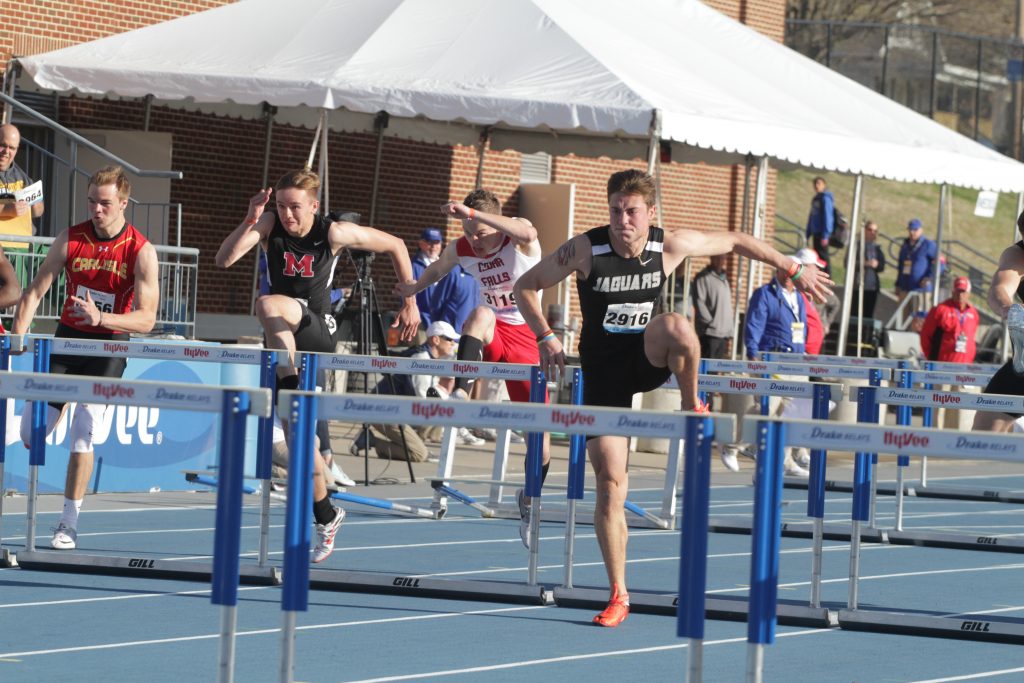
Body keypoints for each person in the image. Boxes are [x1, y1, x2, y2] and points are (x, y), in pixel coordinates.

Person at [513, 169, 832, 627]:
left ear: (650, 213)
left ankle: (690, 406)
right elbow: (525, 285)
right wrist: (545, 336)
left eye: (632, 212)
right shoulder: (585, 248)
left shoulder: (669, 246)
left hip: (646, 356)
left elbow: (736, 240)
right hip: (604, 378)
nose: (622, 221)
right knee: (610, 485)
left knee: (678, 325)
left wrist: (792, 267)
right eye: (615, 211)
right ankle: (619, 593)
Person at [215, 168, 420, 563]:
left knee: (266, 303)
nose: (287, 215)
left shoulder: (333, 232)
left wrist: (410, 301)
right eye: (281, 206)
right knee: (298, 440)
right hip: (283, 337)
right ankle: (325, 514)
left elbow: (395, 244)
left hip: (318, 328)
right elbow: (224, 260)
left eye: (295, 207)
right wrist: (250, 219)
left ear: (314, 206)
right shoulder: (269, 224)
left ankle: (290, 385)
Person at [12, 166, 158, 550]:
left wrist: (102, 318)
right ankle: (58, 406)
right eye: (91, 201)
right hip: (69, 341)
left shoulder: (141, 250)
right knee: (30, 436)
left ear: (123, 203)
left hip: (110, 345)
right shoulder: (71, 238)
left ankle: (68, 521)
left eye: (105, 203)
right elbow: (35, 291)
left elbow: (147, 319)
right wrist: (18, 336)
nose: (96, 209)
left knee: (85, 428)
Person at [395, 189, 551, 549]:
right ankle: (460, 394)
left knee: (540, 444)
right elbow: (437, 268)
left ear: (495, 224)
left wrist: (472, 214)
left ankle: (529, 498)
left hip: (526, 337)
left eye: (480, 233)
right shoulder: (462, 247)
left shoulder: (517, 238)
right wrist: (414, 288)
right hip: (492, 332)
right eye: (468, 233)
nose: (475, 242)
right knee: (480, 312)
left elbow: (528, 232)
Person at [355, 319, 460, 461]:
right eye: (450, 339)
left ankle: (415, 445)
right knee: (419, 454)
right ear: (435, 340)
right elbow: (422, 399)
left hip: (390, 409)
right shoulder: (421, 359)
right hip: (382, 410)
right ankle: (370, 440)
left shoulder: (428, 358)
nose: (453, 344)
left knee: (440, 407)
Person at [920, 276, 979, 364]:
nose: (960, 295)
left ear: (968, 294)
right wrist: (931, 359)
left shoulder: (973, 313)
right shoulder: (940, 310)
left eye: (963, 291)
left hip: (966, 365)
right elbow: (925, 336)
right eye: (958, 291)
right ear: (952, 292)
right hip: (943, 365)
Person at [0, 123, 45, 229]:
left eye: (12, 148)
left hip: (23, 237)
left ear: (17, 149)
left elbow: (39, 211)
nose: (6, 151)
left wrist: (35, 207)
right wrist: (6, 209)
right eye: (2, 145)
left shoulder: (21, 176)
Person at [690, 253, 732, 360]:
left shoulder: (724, 278)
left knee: (717, 368)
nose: (720, 260)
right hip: (710, 334)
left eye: (723, 257)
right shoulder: (703, 277)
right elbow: (699, 302)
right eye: (717, 257)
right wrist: (711, 323)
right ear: (711, 257)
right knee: (707, 367)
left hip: (723, 334)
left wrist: (729, 328)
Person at [895, 218, 937, 303]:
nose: (912, 232)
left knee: (919, 311)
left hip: (920, 290)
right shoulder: (905, 246)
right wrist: (898, 284)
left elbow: (940, 263)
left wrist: (929, 278)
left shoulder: (928, 245)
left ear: (921, 230)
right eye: (910, 230)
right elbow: (900, 266)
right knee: (903, 311)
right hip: (904, 289)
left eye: (915, 229)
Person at [853, 220, 886, 319]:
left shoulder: (877, 248)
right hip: (858, 285)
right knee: (855, 314)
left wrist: (877, 264)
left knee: (868, 316)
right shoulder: (856, 246)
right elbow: (848, 263)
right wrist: (865, 263)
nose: (872, 233)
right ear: (864, 230)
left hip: (872, 287)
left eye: (875, 231)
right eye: (870, 229)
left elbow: (882, 266)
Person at [805, 176, 835, 277]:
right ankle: (820, 276)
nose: (816, 186)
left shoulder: (825, 198)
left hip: (822, 234)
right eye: (815, 184)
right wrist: (808, 232)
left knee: (823, 257)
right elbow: (812, 216)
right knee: (817, 257)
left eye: (819, 183)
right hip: (815, 232)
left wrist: (825, 235)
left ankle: (827, 277)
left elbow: (828, 217)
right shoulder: (816, 199)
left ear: (824, 185)